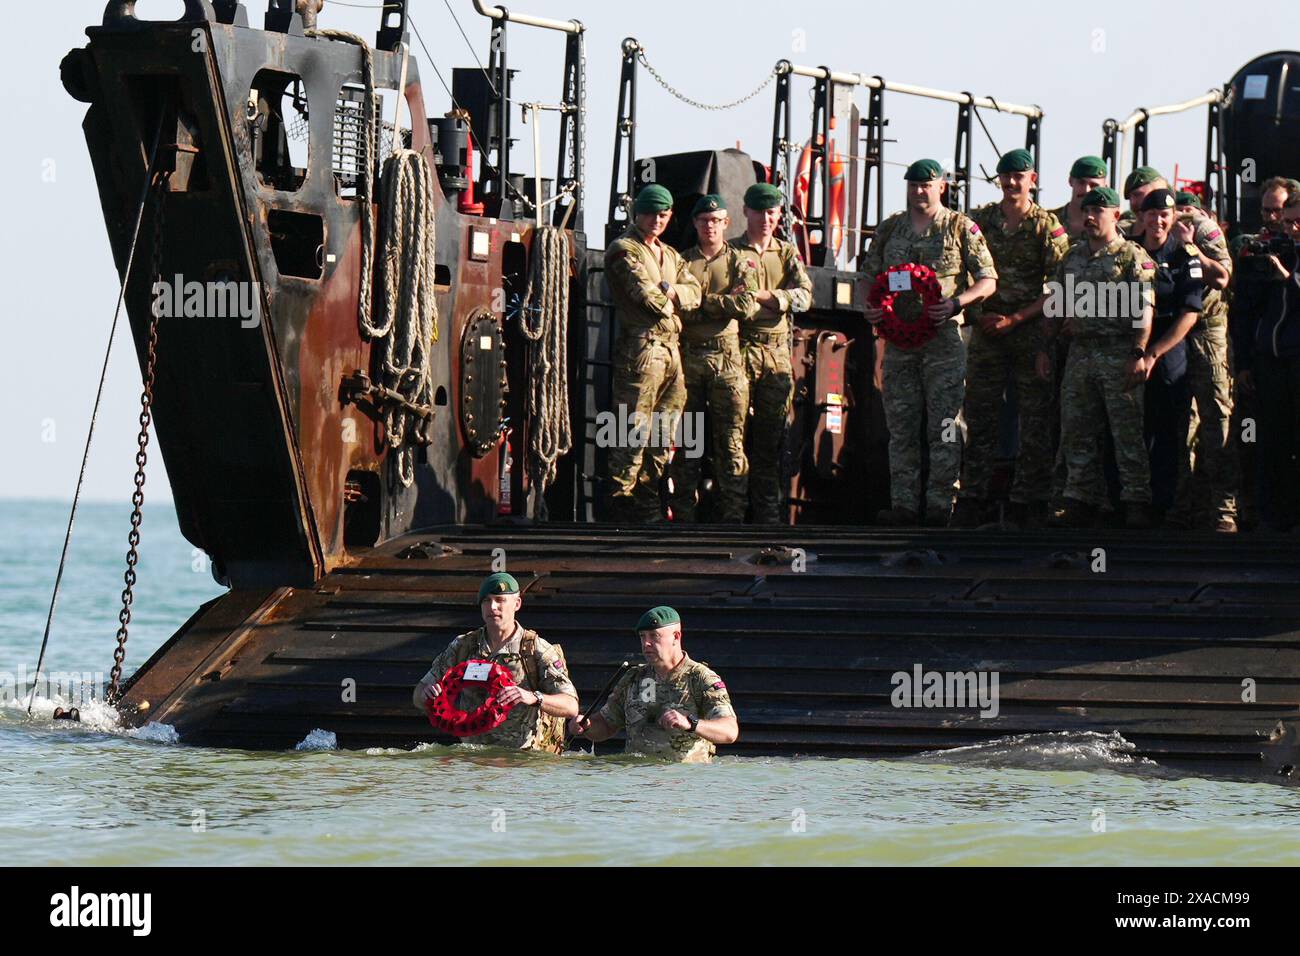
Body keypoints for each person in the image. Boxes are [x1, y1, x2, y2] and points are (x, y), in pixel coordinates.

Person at [860, 158, 998, 526]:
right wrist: (868, 307)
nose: (919, 191)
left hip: (943, 341)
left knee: (945, 425)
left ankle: (942, 505)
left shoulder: (959, 227)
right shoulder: (891, 229)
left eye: (926, 185)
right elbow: (867, 276)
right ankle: (904, 504)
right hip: (900, 342)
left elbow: (988, 279)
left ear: (941, 187)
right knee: (901, 425)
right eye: (913, 185)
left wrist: (957, 303)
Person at [955, 148, 1070, 529]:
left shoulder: (1045, 226)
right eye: (1005, 176)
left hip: (1028, 330)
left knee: (1033, 417)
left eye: (1019, 176)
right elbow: (962, 271)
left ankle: (1028, 500)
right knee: (980, 414)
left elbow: (1060, 287)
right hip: (988, 330)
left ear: (1032, 180)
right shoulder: (982, 221)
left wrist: (1017, 319)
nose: (1011, 183)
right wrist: (977, 315)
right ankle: (974, 496)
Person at [1124, 170, 1235, 530]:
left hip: (1205, 332)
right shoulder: (1132, 235)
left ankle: (1223, 508)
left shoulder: (1198, 226)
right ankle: (1176, 506)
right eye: (1137, 199)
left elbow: (1222, 277)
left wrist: (1193, 250)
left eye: (1148, 196)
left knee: (1216, 418)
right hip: (1158, 336)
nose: (1145, 206)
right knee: (1171, 426)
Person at [1048, 186, 1156, 529]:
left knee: (1126, 432)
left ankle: (1136, 501)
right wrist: (1044, 349)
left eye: (1099, 211)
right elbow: (1055, 305)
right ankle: (1080, 499)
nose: (1091, 217)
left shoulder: (1131, 256)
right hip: (1080, 353)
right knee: (1077, 429)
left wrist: (1139, 352)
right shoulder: (1072, 257)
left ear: (1114, 214)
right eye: (1087, 211)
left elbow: (1144, 309)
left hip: (1118, 351)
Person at [603, 185, 702, 523]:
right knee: (630, 433)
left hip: (672, 351)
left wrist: (672, 291)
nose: (657, 220)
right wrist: (675, 297)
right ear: (637, 213)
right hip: (642, 349)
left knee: (662, 437)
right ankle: (620, 507)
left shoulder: (671, 256)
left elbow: (696, 294)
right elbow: (648, 298)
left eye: (664, 214)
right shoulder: (624, 249)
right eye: (650, 213)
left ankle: (648, 511)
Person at [413, 573, 578, 752]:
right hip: (473, 760)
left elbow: (571, 706)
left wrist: (532, 697)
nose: (492, 607)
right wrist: (427, 695)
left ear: (517, 604)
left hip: (521, 763)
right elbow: (418, 696)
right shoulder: (463, 646)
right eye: (486, 601)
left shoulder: (535, 649)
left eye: (500, 600)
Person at [669, 194, 757, 523]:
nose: (710, 226)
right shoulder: (681, 262)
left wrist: (702, 302)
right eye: (704, 221)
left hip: (728, 363)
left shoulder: (739, 261)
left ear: (726, 224)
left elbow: (747, 306)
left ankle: (732, 521)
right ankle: (683, 521)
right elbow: (676, 306)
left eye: (716, 220)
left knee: (730, 444)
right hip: (689, 360)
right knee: (688, 444)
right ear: (695, 223)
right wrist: (722, 302)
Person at [731, 182, 813, 524]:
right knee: (732, 439)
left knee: (770, 440)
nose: (766, 218)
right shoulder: (731, 252)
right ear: (746, 211)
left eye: (772, 212)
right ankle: (731, 514)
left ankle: (766, 517)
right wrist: (774, 297)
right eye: (759, 211)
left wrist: (771, 297)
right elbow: (737, 301)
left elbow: (805, 296)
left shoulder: (786, 253)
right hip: (738, 352)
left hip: (776, 355)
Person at [567, 606, 738, 763]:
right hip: (639, 780)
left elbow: (729, 731)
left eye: (654, 636)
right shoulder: (633, 678)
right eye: (642, 636)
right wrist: (586, 725)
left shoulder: (700, 678)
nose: (646, 643)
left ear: (676, 637)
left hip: (684, 784)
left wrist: (690, 723)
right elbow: (606, 725)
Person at [1231, 192, 1300, 531]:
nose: (1292, 228)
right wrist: (1245, 362)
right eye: (1287, 222)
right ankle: (1272, 517)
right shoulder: (1277, 250)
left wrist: (1288, 277)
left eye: (1296, 221)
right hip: (1271, 360)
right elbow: (1245, 311)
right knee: (1271, 441)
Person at [1134, 189, 1204, 523]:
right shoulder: (1128, 250)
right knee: (1131, 427)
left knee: (1166, 428)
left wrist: (1154, 354)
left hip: (1168, 344)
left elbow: (1190, 312)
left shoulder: (1183, 255)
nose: (1158, 221)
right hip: (1132, 344)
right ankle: (1130, 503)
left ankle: (1163, 505)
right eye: (1152, 214)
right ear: (1142, 217)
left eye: (1165, 215)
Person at [1050, 156, 1109, 241]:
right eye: (1081, 183)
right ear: (1070, 181)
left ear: (1105, 187)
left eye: (1094, 185)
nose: (1086, 190)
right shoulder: (1049, 221)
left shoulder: (1111, 228)